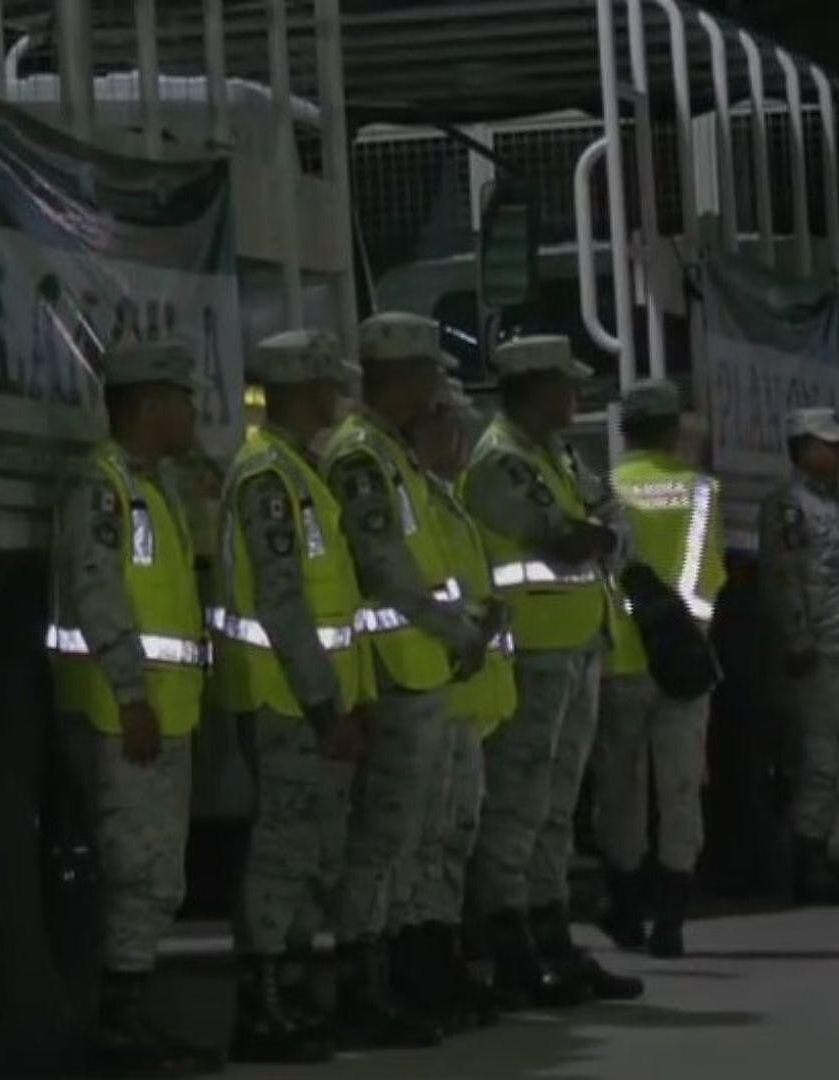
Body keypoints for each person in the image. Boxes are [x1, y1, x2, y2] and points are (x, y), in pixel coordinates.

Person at [47, 338, 221, 1075]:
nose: (193, 414)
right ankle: (118, 1031)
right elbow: (98, 592)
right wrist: (131, 694)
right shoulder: (104, 488)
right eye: (184, 401)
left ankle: (130, 1020)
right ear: (150, 406)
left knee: (156, 875)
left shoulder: (155, 486)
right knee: (138, 873)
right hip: (126, 714)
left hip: (160, 712)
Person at [320, 312, 488, 1049]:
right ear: (399, 375)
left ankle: (398, 977)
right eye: (425, 372)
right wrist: (455, 630)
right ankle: (363, 987)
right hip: (397, 671)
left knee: (416, 838)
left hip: (426, 671)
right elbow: (385, 567)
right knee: (384, 840)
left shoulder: (393, 455)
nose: (433, 387)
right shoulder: (361, 458)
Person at [459, 335, 642, 1006]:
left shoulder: (554, 454)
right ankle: (512, 951)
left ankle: (552, 943)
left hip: (574, 649)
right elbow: (571, 540)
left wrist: (604, 530)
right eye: (567, 383)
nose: (577, 395)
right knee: (519, 807)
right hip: (532, 654)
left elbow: (616, 522)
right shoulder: (500, 462)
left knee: (556, 810)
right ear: (535, 387)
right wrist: (598, 531)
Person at [212, 329, 372, 1064]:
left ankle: (296, 996)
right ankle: (262, 1005)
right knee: (281, 854)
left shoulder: (297, 470)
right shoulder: (268, 476)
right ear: (301, 390)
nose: (336, 398)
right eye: (326, 386)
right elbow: (282, 602)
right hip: (287, 703)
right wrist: (324, 706)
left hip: (309, 700)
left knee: (310, 850)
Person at [595, 380, 726, 958]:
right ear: (673, 429)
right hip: (682, 661)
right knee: (678, 788)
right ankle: (671, 924)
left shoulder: (606, 489)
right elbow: (707, 575)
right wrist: (688, 631)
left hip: (621, 659)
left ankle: (627, 908)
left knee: (621, 788)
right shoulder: (698, 493)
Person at [408, 377, 518, 1029]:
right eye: (453, 430)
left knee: (455, 837)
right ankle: (428, 964)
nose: (462, 442)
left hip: (467, 701)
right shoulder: (419, 499)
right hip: (437, 693)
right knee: (428, 841)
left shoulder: (448, 501)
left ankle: (447, 959)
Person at [759, 405, 839, 906]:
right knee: (818, 757)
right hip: (818, 652)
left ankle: (820, 854)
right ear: (805, 450)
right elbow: (784, 577)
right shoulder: (789, 508)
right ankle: (806, 865)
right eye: (832, 445)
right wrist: (797, 638)